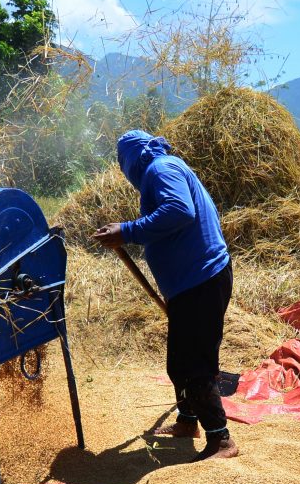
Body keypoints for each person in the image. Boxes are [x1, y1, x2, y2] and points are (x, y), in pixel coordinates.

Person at [92, 130, 238, 461]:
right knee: (179, 363)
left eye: (121, 162)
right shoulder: (163, 168)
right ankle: (188, 422)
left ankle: (222, 440)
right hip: (191, 284)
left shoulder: (161, 169)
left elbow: (179, 211)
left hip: (200, 281)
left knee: (195, 364)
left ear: (131, 159)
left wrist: (126, 231)